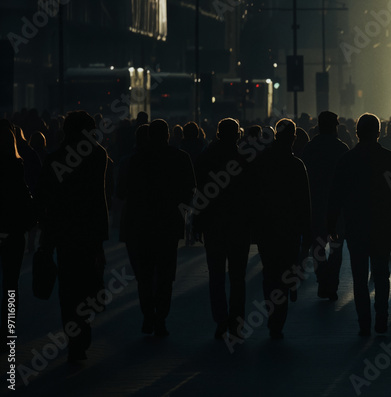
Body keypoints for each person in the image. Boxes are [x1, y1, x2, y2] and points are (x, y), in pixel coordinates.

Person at [36, 111, 110, 361]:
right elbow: (100, 198)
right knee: (89, 283)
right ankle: (83, 329)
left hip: (64, 232)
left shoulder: (54, 158)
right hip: (90, 232)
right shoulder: (98, 155)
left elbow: (44, 199)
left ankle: (74, 338)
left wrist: (46, 238)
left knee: (68, 289)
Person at [330, 113, 391, 335]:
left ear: (357, 132)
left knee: (359, 275)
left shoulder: (347, 160)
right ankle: (382, 318)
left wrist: (332, 223)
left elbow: (335, 194)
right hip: (382, 222)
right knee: (382, 272)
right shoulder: (389, 158)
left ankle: (364, 322)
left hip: (355, 223)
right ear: (379, 132)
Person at [122, 119, 196, 336]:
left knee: (144, 276)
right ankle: (161, 317)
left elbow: (125, 191)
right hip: (169, 224)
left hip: (142, 225)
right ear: (168, 135)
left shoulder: (137, 160)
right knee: (165, 275)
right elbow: (190, 189)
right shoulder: (180, 158)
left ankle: (148, 315)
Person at [193, 118, 253, 339]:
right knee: (238, 277)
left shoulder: (206, 157)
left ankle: (220, 319)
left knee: (216, 275)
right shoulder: (245, 158)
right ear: (237, 135)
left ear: (218, 134)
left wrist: (197, 223)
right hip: (239, 224)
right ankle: (237, 322)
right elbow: (251, 194)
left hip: (213, 224)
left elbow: (200, 193)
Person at [252, 119, 311, 339]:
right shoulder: (297, 165)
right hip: (290, 229)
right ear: (294, 138)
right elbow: (305, 203)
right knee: (286, 272)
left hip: (267, 227)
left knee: (269, 272)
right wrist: (308, 233)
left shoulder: (262, 162)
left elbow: (255, 196)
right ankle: (279, 317)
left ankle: (272, 314)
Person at [299, 111, 350, 301]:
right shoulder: (341, 148)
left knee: (318, 247)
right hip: (337, 207)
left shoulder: (310, 148)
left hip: (316, 206)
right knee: (336, 248)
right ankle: (332, 284)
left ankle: (322, 281)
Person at [0, 120, 36, 331]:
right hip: (13, 230)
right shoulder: (16, 165)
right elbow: (23, 198)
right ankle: (9, 326)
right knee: (11, 283)